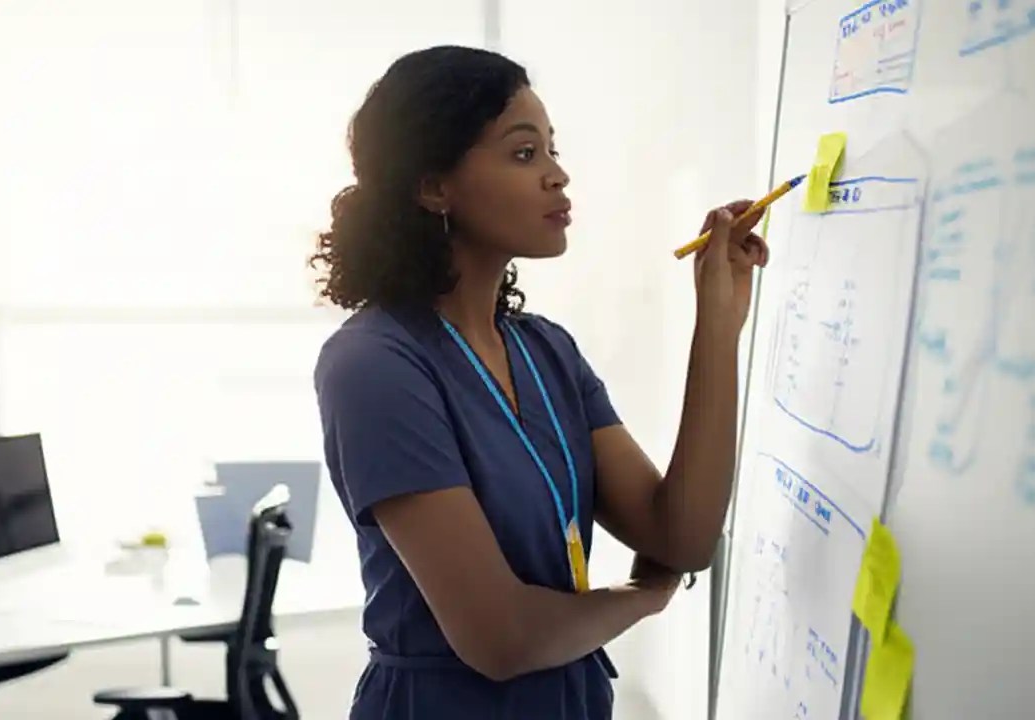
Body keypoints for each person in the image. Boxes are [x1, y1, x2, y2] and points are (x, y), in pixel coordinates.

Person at [311, 45, 770, 719]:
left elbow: (681, 536)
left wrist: (719, 326)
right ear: (434, 186)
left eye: (553, 150)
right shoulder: (374, 365)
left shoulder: (546, 350)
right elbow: (500, 637)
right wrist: (638, 599)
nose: (558, 176)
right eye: (525, 154)